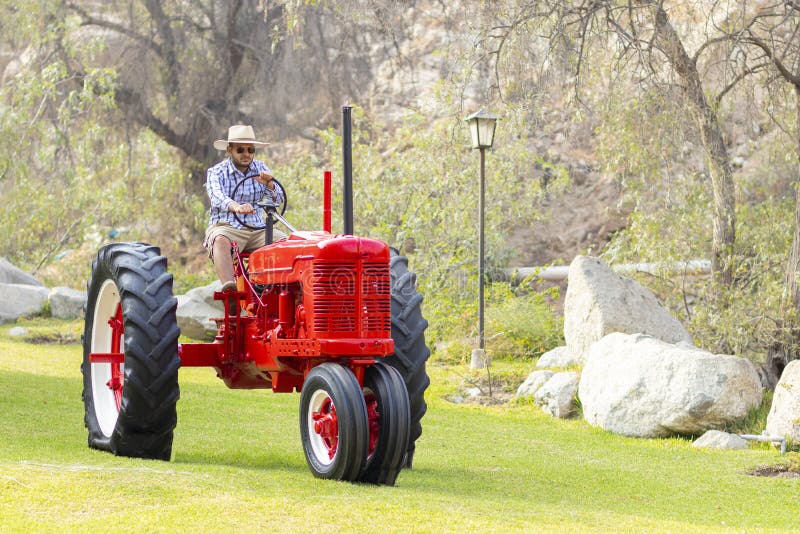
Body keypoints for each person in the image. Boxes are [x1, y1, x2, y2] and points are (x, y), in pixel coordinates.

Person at [204, 124, 286, 292]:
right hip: (228, 227)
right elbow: (216, 196)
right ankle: (230, 290)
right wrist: (236, 207)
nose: (246, 154)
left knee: (288, 244)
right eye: (240, 149)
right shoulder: (217, 172)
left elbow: (278, 199)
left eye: (250, 150)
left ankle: (282, 292)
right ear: (229, 150)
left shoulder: (261, 168)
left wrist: (270, 185)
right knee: (219, 240)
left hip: (258, 229)